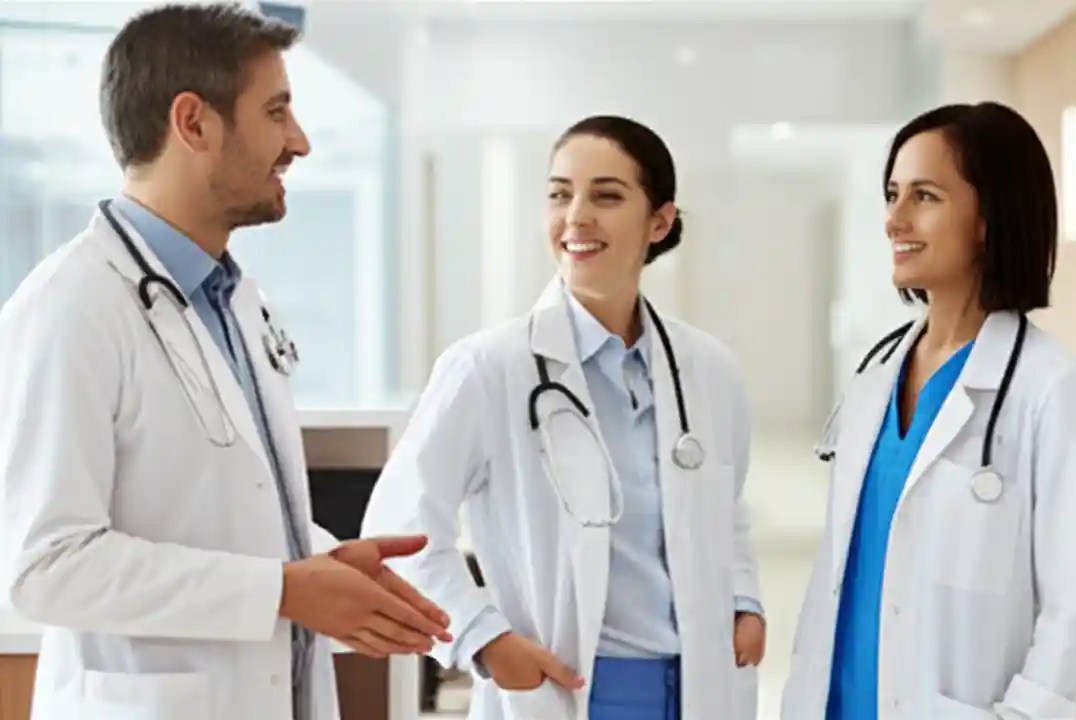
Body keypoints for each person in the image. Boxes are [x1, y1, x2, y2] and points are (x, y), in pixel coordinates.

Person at [0, 5, 450, 719]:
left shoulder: (235, 301)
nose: (299, 141)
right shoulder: (71, 306)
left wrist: (315, 563)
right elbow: (45, 567)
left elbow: (219, 512)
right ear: (194, 123)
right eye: (276, 112)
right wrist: (283, 590)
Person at [361, 115, 765, 719]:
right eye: (559, 194)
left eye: (606, 196)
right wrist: (485, 639)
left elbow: (725, 512)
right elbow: (400, 530)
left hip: (697, 684)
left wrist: (744, 600)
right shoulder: (486, 368)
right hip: (563, 683)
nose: (576, 216)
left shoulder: (708, 370)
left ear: (659, 222)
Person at [781, 102, 1076, 719]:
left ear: (989, 217)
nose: (894, 220)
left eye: (924, 196)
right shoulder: (876, 377)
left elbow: (1075, 613)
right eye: (892, 195)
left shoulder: (1052, 391)